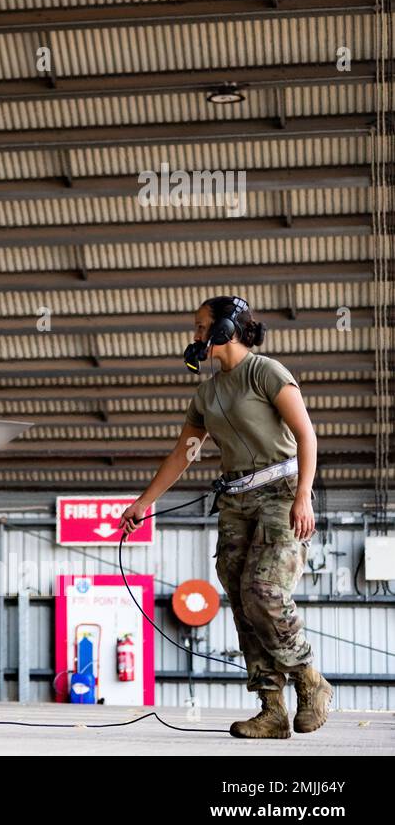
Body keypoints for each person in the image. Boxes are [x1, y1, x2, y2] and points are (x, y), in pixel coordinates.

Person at [118, 296, 332, 738]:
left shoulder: (266, 372)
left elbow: (307, 434)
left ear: (226, 327)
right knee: (241, 602)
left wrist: (305, 496)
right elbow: (184, 454)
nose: (196, 335)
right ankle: (271, 710)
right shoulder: (207, 393)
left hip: (282, 492)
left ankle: (309, 679)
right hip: (236, 501)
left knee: (264, 590)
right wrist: (145, 501)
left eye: (201, 326)